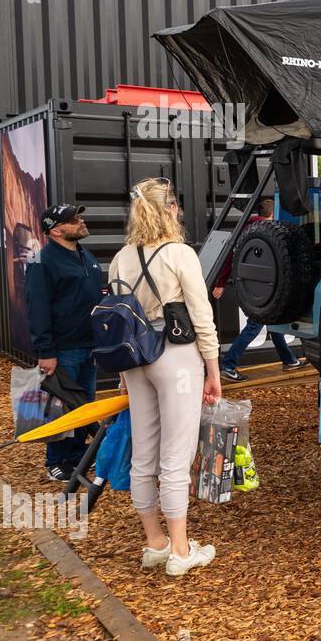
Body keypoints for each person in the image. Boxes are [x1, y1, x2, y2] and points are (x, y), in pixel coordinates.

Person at [107, 177, 222, 577]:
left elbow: (119, 319)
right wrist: (213, 367)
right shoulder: (180, 253)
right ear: (170, 209)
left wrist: (122, 374)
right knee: (176, 457)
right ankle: (180, 549)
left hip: (135, 359)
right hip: (175, 356)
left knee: (144, 455)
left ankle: (154, 542)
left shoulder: (122, 256)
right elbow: (202, 315)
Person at [24, 204, 104, 481]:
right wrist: (46, 352)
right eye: (73, 220)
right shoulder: (40, 261)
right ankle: (56, 461)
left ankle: (77, 455)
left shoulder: (85, 255)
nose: (80, 221)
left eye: (79, 216)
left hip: (89, 345)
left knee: (83, 404)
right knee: (59, 407)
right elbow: (37, 308)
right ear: (55, 230)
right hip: (63, 350)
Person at [212, 196, 308, 382]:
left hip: (250, 288)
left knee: (273, 321)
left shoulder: (246, 230)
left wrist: (222, 282)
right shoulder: (268, 232)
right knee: (254, 326)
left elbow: (230, 258)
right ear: (272, 214)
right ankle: (228, 365)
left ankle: (288, 360)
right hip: (265, 290)